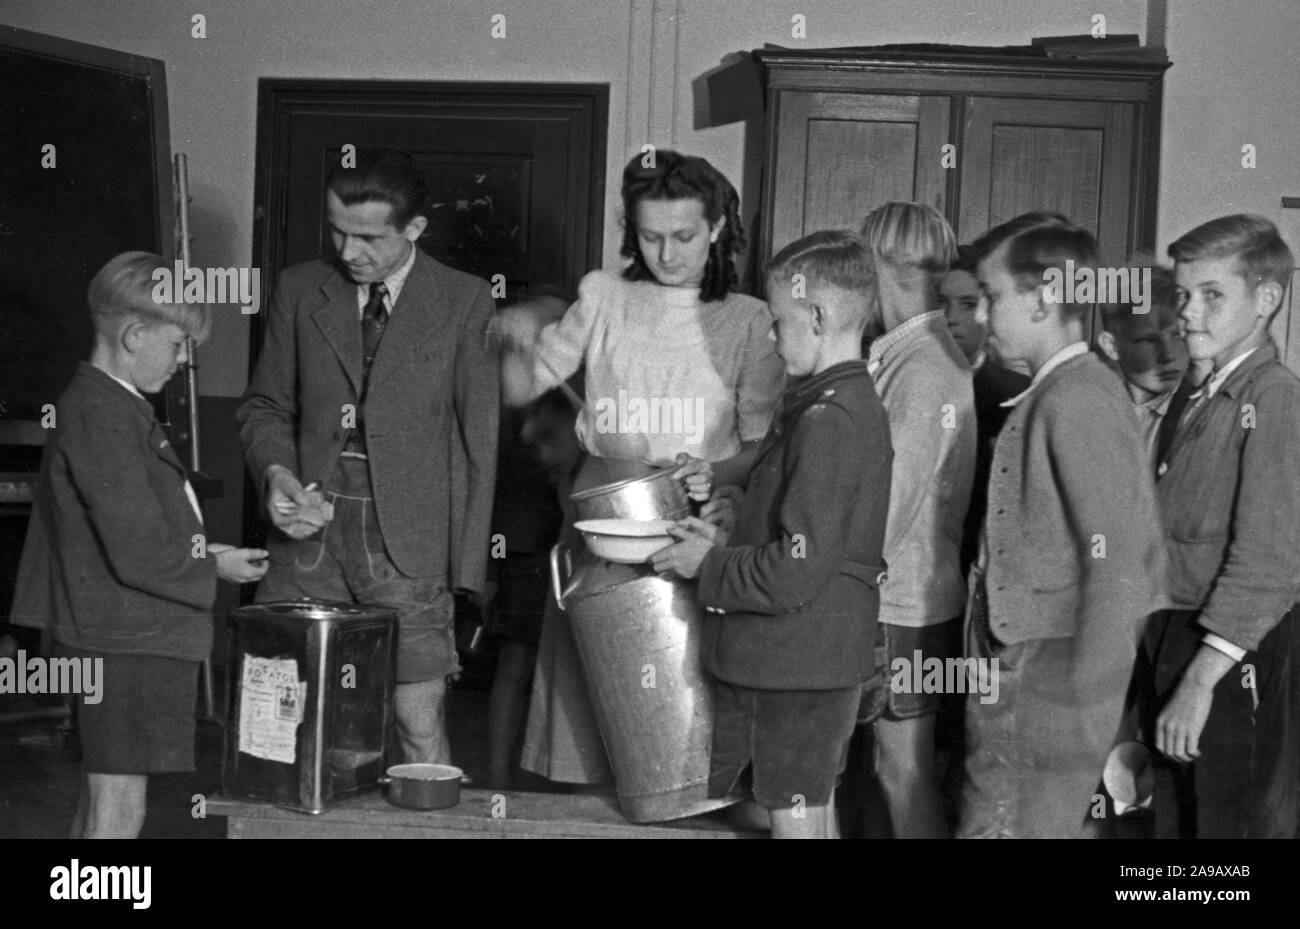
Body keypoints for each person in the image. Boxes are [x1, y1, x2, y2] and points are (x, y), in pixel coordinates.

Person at [494, 149, 785, 790]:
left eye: (684, 236)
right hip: (602, 514)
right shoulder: (605, 295)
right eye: (651, 237)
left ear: (716, 228)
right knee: (592, 717)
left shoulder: (749, 319)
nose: (668, 253)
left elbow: (762, 445)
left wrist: (709, 472)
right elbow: (524, 386)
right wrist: (516, 334)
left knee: (679, 725)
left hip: (697, 519)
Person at [237, 147, 498, 766]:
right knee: (282, 724)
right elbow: (264, 407)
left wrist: (465, 571)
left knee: (417, 721)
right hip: (308, 540)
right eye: (337, 230)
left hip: (408, 549)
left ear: (414, 229)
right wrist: (276, 473)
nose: (349, 251)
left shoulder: (464, 300)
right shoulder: (301, 289)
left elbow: (478, 440)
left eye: (369, 238)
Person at [10, 252, 268, 838]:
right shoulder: (104, 413)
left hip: (117, 634)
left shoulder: (108, 405)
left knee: (103, 799)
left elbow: (140, 528)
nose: (184, 361)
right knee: (119, 811)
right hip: (126, 640)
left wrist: (212, 554)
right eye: (179, 344)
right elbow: (141, 551)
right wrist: (216, 564)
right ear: (134, 334)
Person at [652, 229, 892, 839]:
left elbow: (796, 568)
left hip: (796, 664)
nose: (769, 335)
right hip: (804, 662)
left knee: (796, 818)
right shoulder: (825, 402)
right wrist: (740, 511)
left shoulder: (829, 418)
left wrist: (706, 562)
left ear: (817, 315)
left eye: (778, 321)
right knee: (810, 810)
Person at [960, 216, 1169, 838]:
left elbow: (1122, 563)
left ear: (1046, 296)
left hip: (1042, 687)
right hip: (1026, 677)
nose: (981, 316)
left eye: (992, 298)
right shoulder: (1063, 392)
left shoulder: (1075, 398)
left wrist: (1077, 703)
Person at [1142, 214, 1300, 838]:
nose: (1188, 313)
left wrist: (1201, 681)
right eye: (1183, 295)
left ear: (1267, 300)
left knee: (1221, 837)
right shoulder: (1201, 391)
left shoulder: (1275, 400)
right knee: (1176, 831)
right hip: (1172, 632)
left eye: (1212, 295)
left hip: (1227, 649)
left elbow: (1271, 562)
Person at [857, 202, 975, 838]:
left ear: (883, 265)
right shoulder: (909, 353)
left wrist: (828, 577)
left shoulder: (925, 365)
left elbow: (893, 499)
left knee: (904, 771)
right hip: (905, 596)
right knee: (892, 769)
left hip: (903, 601)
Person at [483, 377, 582, 791]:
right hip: (527, 552)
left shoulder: (567, 398)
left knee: (544, 667)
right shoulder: (531, 405)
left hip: (561, 548)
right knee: (517, 664)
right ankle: (500, 776)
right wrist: (490, 570)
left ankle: (549, 773)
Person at [939, 244, 1031, 576]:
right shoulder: (910, 383)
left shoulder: (1016, 397)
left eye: (967, 305)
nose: (951, 318)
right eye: (942, 304)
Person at [1094, 265, 1190, 470]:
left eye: (1177, 336)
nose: (1168, 355)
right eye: (1147, 340)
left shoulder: (1200, 411)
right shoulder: (1091, 411)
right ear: (1111, 346)